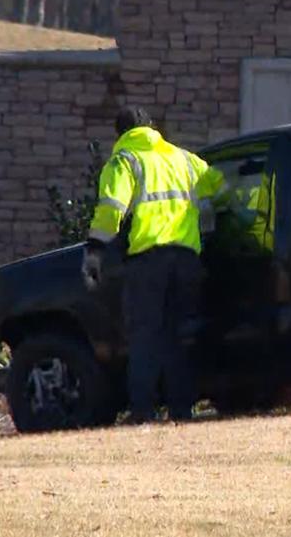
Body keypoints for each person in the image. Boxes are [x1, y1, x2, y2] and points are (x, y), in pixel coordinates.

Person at [81, 106, 224, 423]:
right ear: (152, 128)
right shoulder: (184, 159)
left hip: (148, 261)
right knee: (179, 335)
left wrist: (94, 251)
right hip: (186, 260)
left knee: (146, 334)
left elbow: (111, 211)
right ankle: (181, 409)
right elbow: (218, 184)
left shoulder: (125, 161)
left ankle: (143, 410)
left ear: (120, 134)